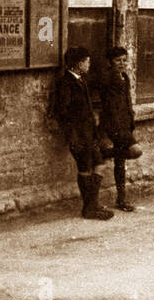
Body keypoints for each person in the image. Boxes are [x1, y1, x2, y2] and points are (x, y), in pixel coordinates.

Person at [53, 47, 113, 220]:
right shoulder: (66, 82)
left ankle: (91, 205)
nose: (89, 64)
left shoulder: (81, 80)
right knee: (85, 169)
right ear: (79, 64)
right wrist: (73, 136)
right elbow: (63, 112)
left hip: (88, 134)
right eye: (87, 61)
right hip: (79, 135)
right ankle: (90, 209)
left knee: (99, 164)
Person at [97, 46, 142, 212]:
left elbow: (127, 101)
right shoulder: (108, 78)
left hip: (125, 124)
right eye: (117, 61)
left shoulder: (124, 77)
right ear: (110, 62)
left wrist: (131, 120)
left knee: (120, 163)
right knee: (135, 151)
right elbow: (110, 107)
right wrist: (117, 128)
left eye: (124, 60)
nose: (122, 63)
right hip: (114, 125)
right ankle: (104, 154)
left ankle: (121, 199)